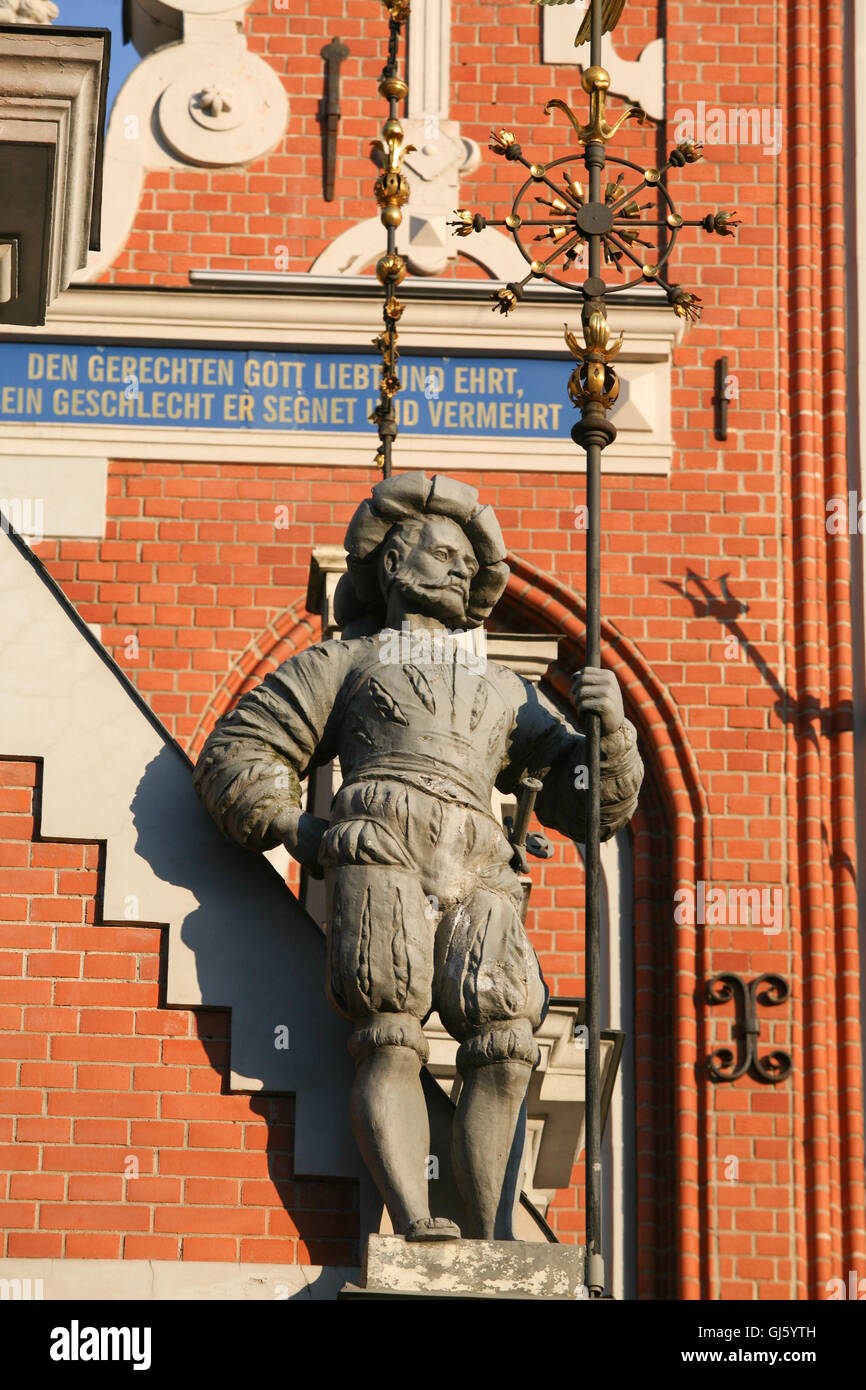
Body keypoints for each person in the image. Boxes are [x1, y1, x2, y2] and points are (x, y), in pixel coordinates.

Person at [193, 472, 643, 1241]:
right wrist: (302, 831)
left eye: (471, 559)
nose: (463, 567)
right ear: (395, 567)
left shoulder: (508, 689)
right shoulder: (348, 661)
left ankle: (496, 1234)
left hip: (481, 857)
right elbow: (239, 750)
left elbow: (584, 802)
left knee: (505, 1041)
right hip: (383, 840)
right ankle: (412, 1216)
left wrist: (610, 734)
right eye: (442, 552)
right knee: (389, 1024)